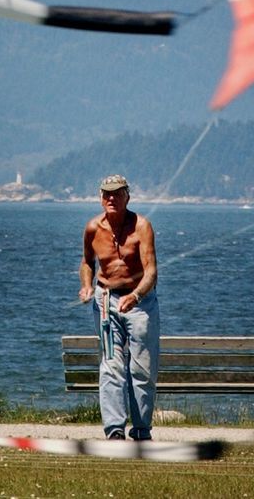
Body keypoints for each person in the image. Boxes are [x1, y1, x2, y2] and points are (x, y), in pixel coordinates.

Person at [79, 174, 160, 441]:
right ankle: (114, 430)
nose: (111, 198)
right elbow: (87, 262)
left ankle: (141, 430)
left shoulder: (142, 226)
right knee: (111, 365)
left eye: (117, 193)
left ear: (128, 196)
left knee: (142, 368)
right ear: (100, 198)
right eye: (106, 194)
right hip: (105, 300)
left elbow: (151, 271)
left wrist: (136, 296)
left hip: (140, 302)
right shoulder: (93, 227)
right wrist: (86, 285)